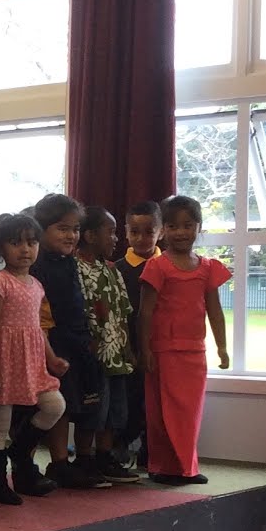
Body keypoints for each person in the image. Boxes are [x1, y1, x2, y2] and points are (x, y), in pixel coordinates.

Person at [139, 195, 231, 485]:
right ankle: (163, 466)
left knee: (189, 412)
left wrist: (222, 347)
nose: (181, 232)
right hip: (164, 350)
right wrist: (144, 349)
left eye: (188, 225)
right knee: (163, 411)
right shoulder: (157, 267)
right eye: (173, 226)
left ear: (198, 227)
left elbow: (215, 311)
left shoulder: (207, 267)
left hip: (194, 352)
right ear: (163, 230)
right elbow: (145, 312)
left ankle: (185, 467)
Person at [0, 214, 69, 503]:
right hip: (6, 361)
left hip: (32, 363)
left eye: (31, 243)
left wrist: (52, 359)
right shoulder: (0, 283)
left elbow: (37, 328)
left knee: (55, 405)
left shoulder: (36, 285)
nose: (25, 249)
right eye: (16, 243)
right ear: (1, 247)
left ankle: (18, 451)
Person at [30, 193, 110, 491]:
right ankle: (59, 462)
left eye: (75, 229)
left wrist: (87, 337)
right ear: (42, 230)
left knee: (84, 401)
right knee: (59, 404)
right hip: (52, 344)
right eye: (62, 229)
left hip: (77, 341)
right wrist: (50, 350)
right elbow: (39, 314)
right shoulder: (38, 265)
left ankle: (81, 459)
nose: (71, 235)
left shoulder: (68, 262)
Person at [75, 208, 142, 483]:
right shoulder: (76, 269)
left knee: (116, 410)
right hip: (93, 355)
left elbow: (123, 311)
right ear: (90, 235)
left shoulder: (112, 270)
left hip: (116, 356)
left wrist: (128, 350)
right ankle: (84, 458)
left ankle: (105, 456)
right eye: (110, 232)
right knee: (93, 410)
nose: (116, 239)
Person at [115, 200, 161, 468]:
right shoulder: (118, 269)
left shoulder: (167, 265)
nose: (141, 238)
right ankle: (121, 443)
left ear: (160, 232)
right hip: (128, 345)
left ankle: (150, 447)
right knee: (129, 397)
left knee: (155, 399)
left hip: (162, 343)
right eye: (134, 232)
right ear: (126, 232)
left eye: (148, 232)